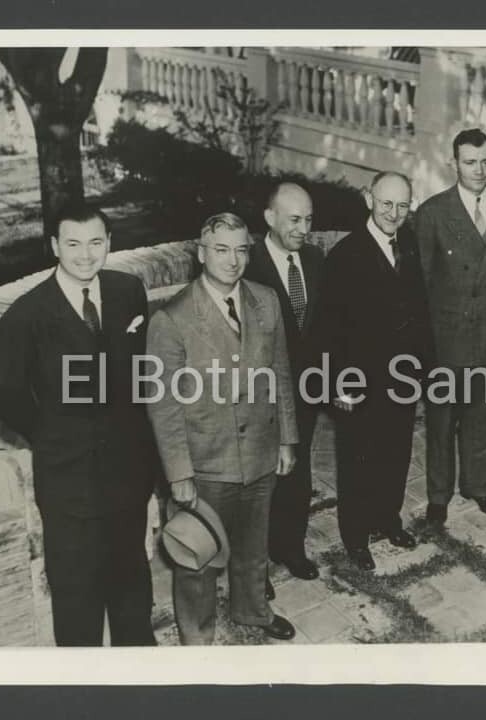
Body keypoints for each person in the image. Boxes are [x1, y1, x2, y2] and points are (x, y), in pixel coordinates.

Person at [0, 201, 157, 646]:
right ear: (55, 246)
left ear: (110, 244)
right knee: (77, 599)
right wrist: (53, 434)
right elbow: (5, 393)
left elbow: (142, 375)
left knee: (131, 590)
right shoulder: (27, 314)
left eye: (96, 242)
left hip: (126, 477)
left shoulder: (128, 291)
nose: (85, 255)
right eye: (74, 244)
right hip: (68, 485)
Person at [145, 212, 299, 643]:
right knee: (199, 556)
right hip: (205, 462)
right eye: (221, 249)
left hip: (261, 452)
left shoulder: (265, 299)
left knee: (254, 547)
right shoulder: (172, 319)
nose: (232, 260)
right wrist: (179, 474)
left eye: (240, 250)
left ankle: (253, 611)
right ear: (201, 253)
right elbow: (164, 405)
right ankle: (198, 636)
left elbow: (280, 372)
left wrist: (287, 437)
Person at [314, 172, 433, 570]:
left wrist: (425, 372)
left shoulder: (410, 246)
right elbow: (328, 329)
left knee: (397, 455)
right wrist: (339, 387)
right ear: (368, 199)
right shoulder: (345, 256)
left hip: (402, 381)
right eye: (386, 204)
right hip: (360, 383)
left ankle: (388, 519)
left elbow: (420, 313)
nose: (394, 214)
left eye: (402, 206)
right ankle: (356, 536)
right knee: (359, 461)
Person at [414, 128, 486, 527]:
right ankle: (439, 496)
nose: (478, 170)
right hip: (447, 337)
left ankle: (478, 487)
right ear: (454, 163)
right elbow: (422, 283)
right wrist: (423, 342)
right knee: (442, 421)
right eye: (469, 162)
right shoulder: (431, 213)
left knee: (485, 416)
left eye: (485, 161)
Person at [243, 183, 322, 584]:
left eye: (308, 219)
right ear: (270, 217)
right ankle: (255, 570)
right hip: (259, 396)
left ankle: (291, 548)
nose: (303, 228)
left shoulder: (312, 258)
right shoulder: (246, 265)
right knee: (258, 484)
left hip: (303, 393)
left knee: (298, 473)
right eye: (294, 220)